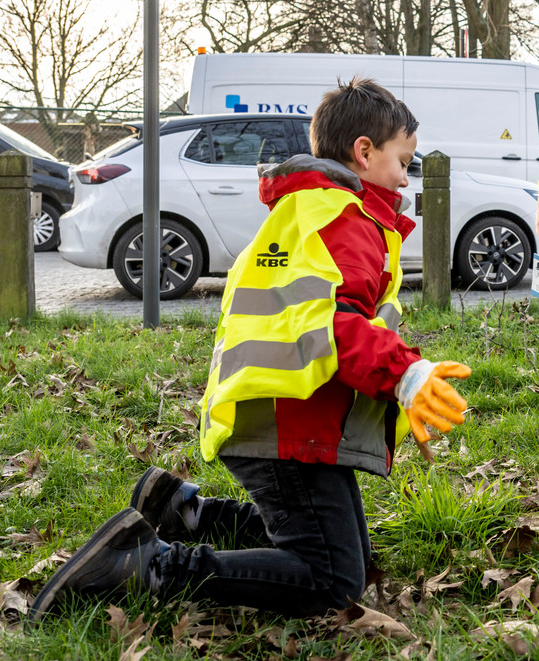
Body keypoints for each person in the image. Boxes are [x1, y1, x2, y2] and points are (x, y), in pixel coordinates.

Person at [29, 78, 472, 618]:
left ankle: (184, 511)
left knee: (348, 550)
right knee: (331, 580)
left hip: (279, 409)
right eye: (403, 161)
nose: (406, 176)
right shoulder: (348, 221)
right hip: (288, 422)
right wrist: (406, 375)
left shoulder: (313, 211)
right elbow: (337, 323)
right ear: (364, 152)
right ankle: (148, 565)